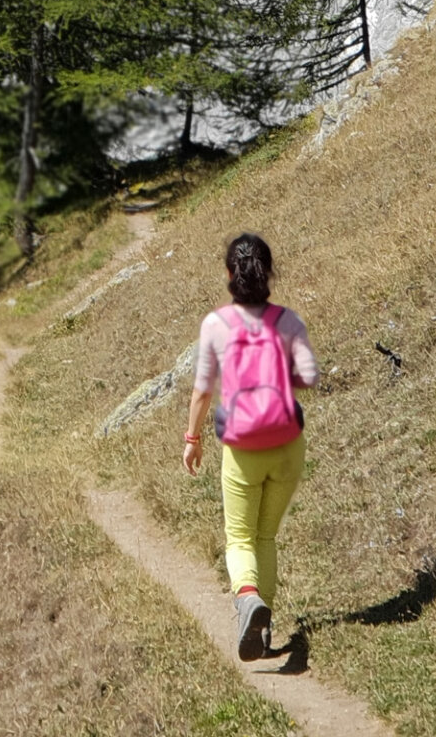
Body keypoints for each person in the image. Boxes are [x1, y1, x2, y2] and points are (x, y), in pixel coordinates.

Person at [182, 232, 318, 660]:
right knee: (266, 536)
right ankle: (264, 628)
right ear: (268, 273)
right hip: (287, 446)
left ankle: (247, 599)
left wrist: (192, 438)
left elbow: (202, 391)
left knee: (239, 538)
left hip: (243, 450)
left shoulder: (216, 325)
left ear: (229, 274)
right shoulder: (288, 321)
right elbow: (309, 376)